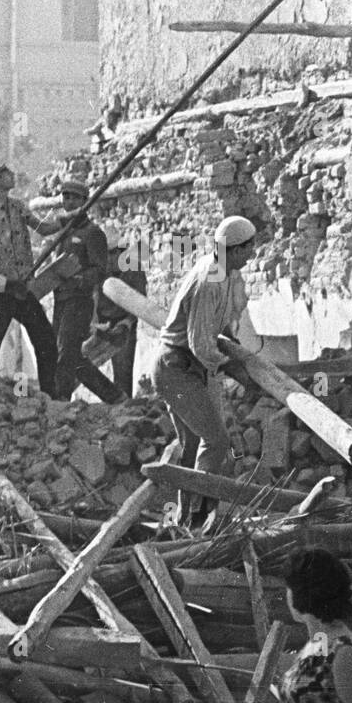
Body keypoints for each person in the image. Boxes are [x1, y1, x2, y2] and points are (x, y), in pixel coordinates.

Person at [152, 215, 255, 526]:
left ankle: (185, 518)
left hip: (194, 368)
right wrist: (234, 369)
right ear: (235, 250)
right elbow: (201, 345)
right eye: (249, 249)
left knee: (194, 445)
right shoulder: (208, 280)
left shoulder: (228, 274)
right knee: (216, 440)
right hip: (177, 369)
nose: (251, 255)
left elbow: (221, 324)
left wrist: (235, 347)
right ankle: (197, 515)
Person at [0, 153, 68, 416]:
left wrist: (68, 220)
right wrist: (5, 283)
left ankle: (49, 398)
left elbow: (43, 229)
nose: (12, 174)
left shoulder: (18, 207)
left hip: (21, 290)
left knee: (45, 341)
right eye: (6, 172)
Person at [279, 547, 352, 703]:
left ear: (303, 592)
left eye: (289, 587)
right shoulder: (317, 645)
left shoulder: (346, 653)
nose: (287, 594)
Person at [50, 180, 124, 403]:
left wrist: (78, 278)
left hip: (79, 300)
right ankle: (114, 396)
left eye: (74, 197)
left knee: (66, 352)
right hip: (61, 299)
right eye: (65, 196)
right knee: (69, 355)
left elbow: (100, 271)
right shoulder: (64, 231)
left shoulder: (92, 233)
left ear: (85, 201)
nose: (68, 201)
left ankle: (60, 400)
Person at [94, 223, 146, 397]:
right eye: (105, 254)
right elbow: (92, 298)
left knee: (123, 371)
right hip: (100, 321)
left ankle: (123, 408)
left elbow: (140, 303)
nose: (109, 258)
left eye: (113, 253)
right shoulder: (98, 268)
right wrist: (95, 323)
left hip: (124, 323)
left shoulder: (135, 268)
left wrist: (126, 324)